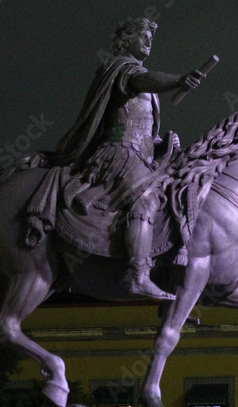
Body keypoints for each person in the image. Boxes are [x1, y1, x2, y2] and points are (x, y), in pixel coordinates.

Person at [52, 18, 204, 300]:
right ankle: (139, 275)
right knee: (145, 199)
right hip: (118, 153)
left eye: (151, 38)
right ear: (125, 40)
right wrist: (178, 80)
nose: (148, 42)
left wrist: (161, 144)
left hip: (138, 154)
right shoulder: (120, 68)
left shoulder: (135, 75)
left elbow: (140, 128)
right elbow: (141, 81)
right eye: (143, 36)